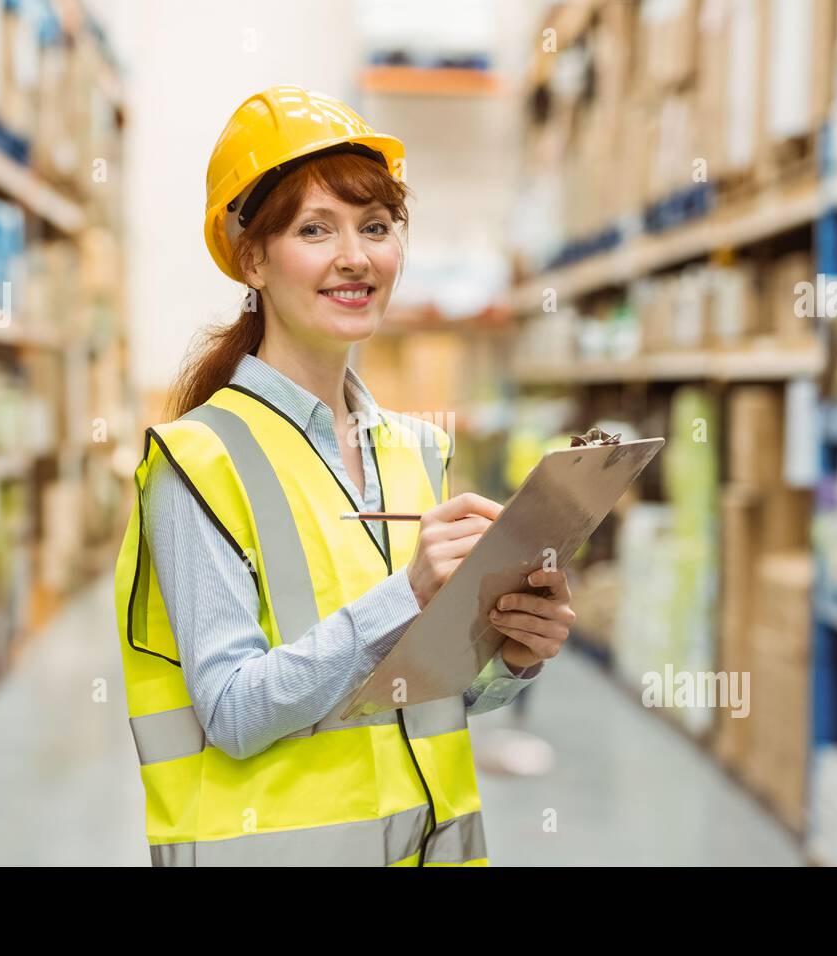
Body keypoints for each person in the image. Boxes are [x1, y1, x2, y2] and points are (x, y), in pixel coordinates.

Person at [113, 85, 576, 867]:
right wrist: (410, 595)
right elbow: (230, 710)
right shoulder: (197, 462)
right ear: (253, 258)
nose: (355, 256)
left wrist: (514, 654)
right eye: (315, 229)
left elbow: (427, 691)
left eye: (376, 226)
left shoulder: (414, 451)